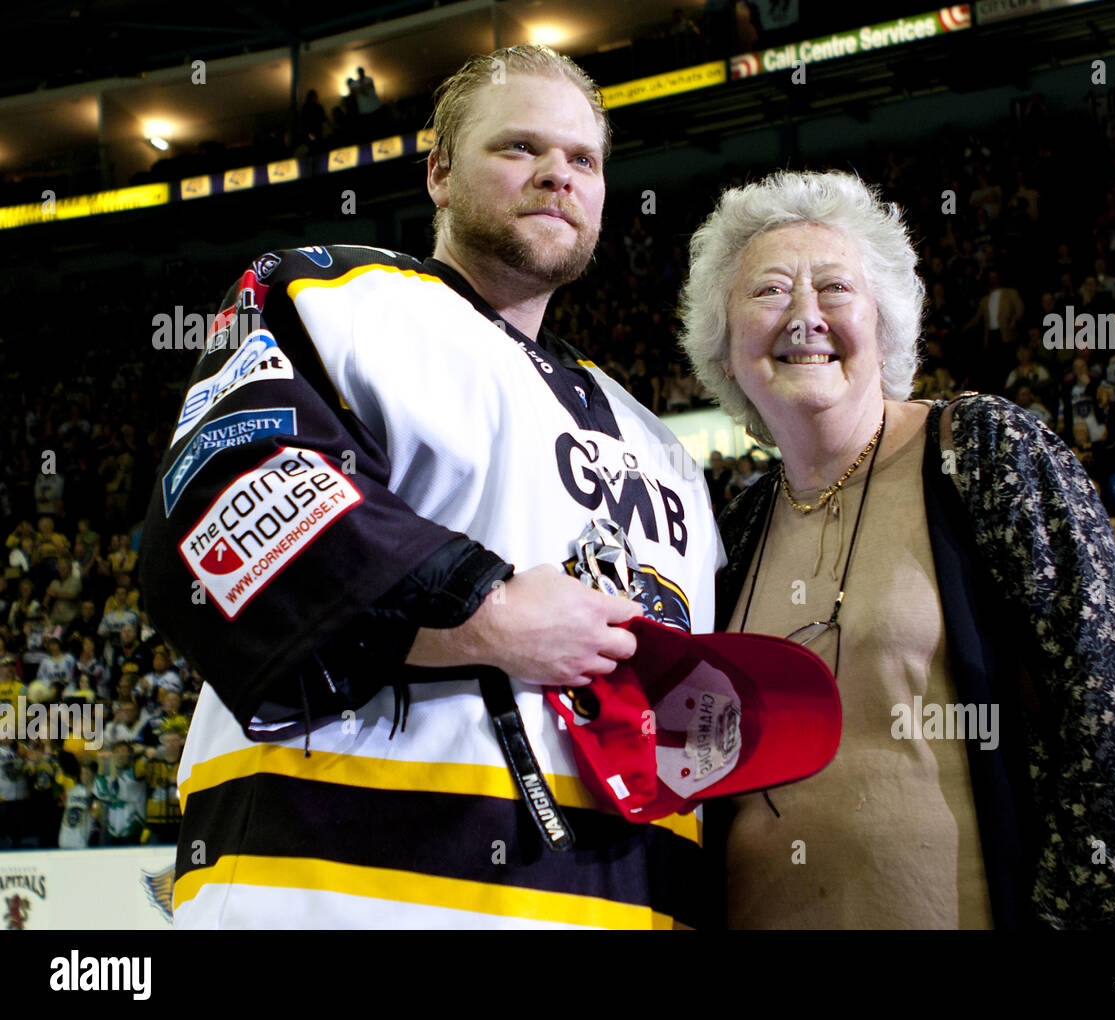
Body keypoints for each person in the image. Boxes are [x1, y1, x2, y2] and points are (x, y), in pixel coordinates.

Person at [140, 45, 722, 930]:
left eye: (584, 160)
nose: (558, 176)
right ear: (440, 173)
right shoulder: (330, 296)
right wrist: (482, 612)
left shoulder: (651, 434)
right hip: (341, 889)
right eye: (520, 148)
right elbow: (235, 495)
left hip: (622, 900)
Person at [678, 170, 1115, 929]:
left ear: (884, 323)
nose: (804, 316)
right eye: (770, 291)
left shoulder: (981, 452)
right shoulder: (733, 526)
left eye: (835, 289)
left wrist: (1086, 918)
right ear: (725, 341)